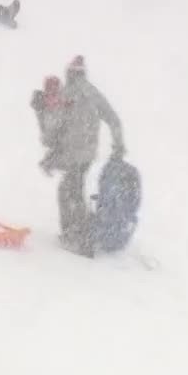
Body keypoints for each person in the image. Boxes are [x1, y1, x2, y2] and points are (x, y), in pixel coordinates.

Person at [31, 56, 125, 250]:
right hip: (87, 154)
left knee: (69, 192)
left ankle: (78, 238)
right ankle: (79, 233)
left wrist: (41, 111)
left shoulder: (66, 94)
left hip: (73, 154)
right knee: (72, 190)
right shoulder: (93, 93)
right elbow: (114, 119)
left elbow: (51, 134)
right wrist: (118, 146)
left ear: (69, 73)